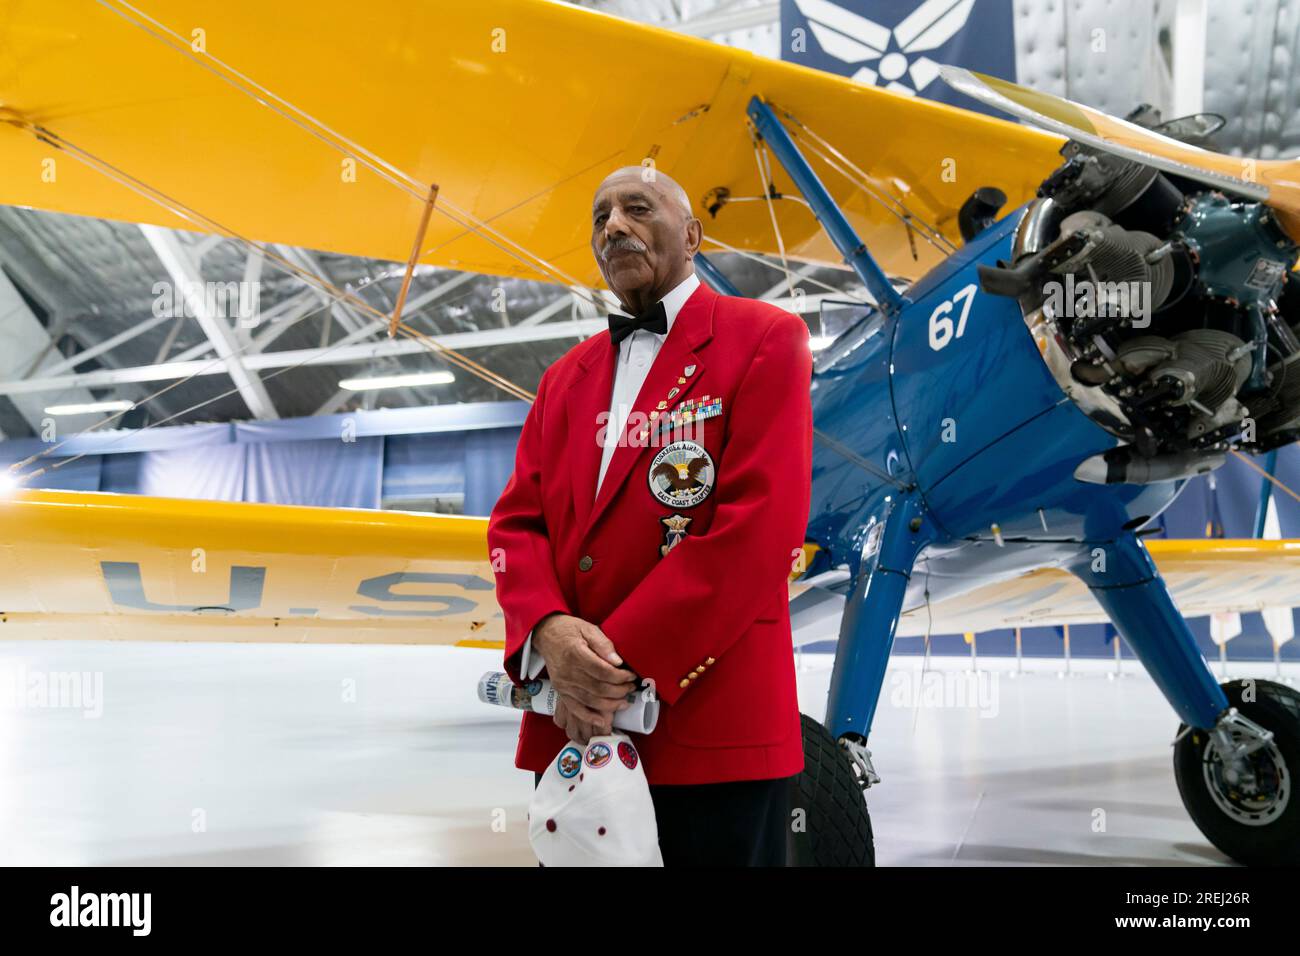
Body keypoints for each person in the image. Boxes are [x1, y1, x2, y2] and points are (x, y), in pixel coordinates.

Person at [487, 165, 813, 866]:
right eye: (600, 217)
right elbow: (517, 526)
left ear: (693, 235)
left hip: (712, 732)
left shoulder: (767, 337)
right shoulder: (562, 379)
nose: (614, 226)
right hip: (573, 733)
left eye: (637, 208)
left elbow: (757, 532)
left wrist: (598, 672)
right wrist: (547, 634)